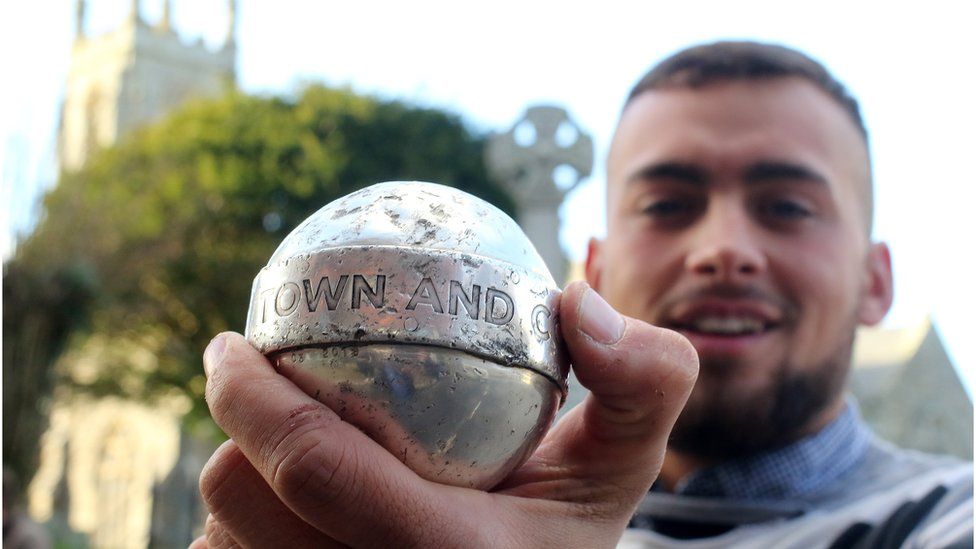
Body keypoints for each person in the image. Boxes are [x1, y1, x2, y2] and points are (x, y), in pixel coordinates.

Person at [192, 41, 973, 548]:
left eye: (788, 207)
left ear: (877, 283)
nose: (724, 249)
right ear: (588, 278)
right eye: (667, 204)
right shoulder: (442, 506)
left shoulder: (946, 520)